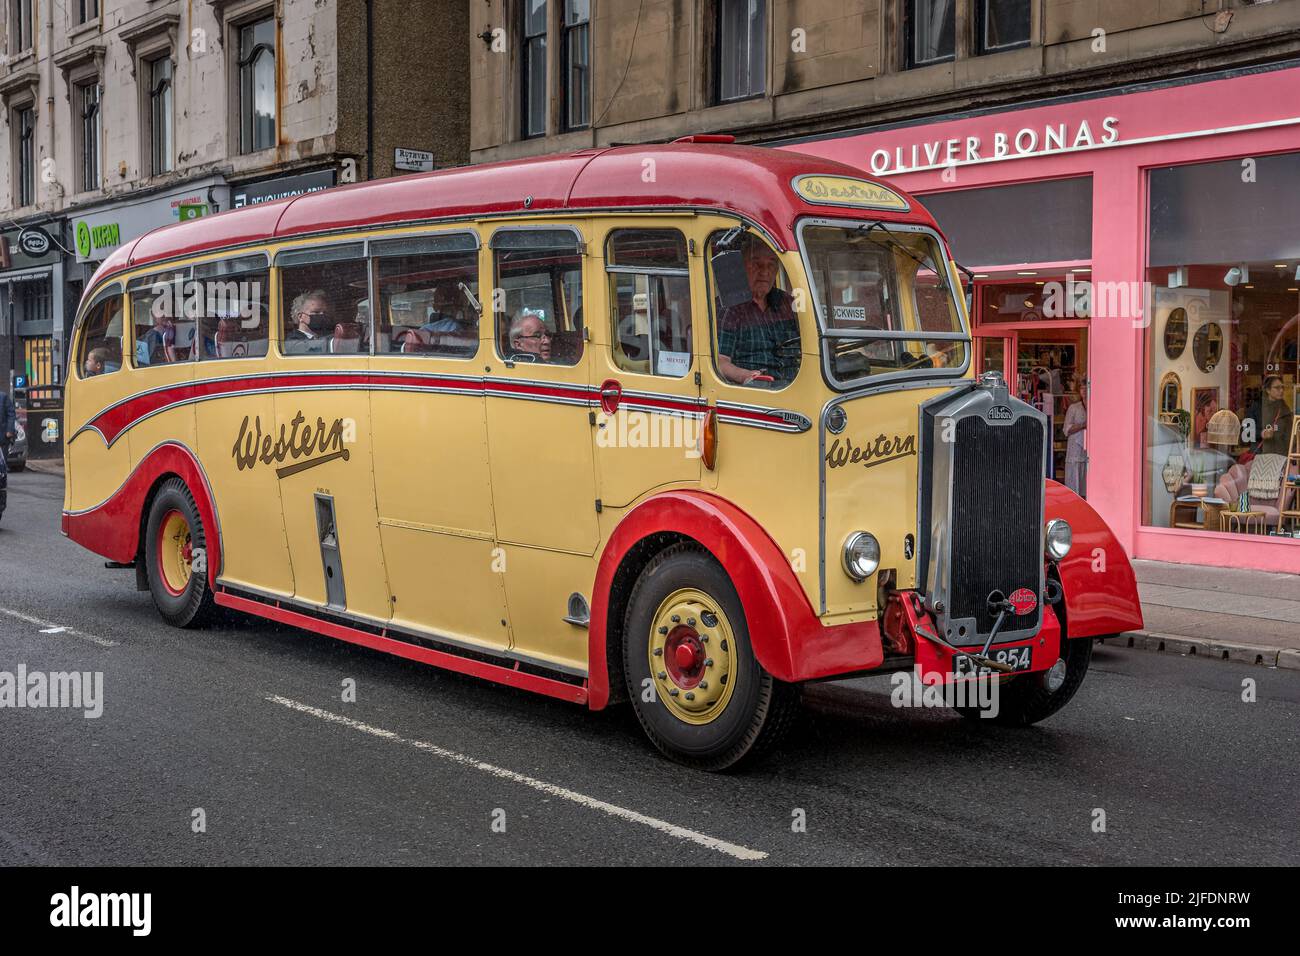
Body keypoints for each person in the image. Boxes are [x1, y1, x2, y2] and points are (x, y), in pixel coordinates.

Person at [716, 237, 800, 387]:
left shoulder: (788, 303)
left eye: (771, 264)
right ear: (741, 267)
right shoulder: (730, 307)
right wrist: (747, 376)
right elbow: (720, 362)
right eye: (757, 264)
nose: (765, 272)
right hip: (756, 392)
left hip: (794, 386)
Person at [1245, 375, 1294, 456]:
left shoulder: (1284, 408)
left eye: (1282, 387)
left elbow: (1289, 435)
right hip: (1261, 454)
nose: (1281, 390)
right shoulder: (1257, 407)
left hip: (1281, 456)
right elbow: (1246, 432)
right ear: (1268, 390)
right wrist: (1262, 433)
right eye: (1277, 388)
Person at [1063, 373, 1088, 497]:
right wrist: (1083, 425)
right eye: (1082, 389)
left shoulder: (1094, 406)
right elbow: (1066, 429)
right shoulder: (1074, 408)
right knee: (1074, 490)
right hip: (1075, 452)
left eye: (1086, 388)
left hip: (1087, 454)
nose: (1084, 391)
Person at [0, 389, 14, 522]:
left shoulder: (3, 397)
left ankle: (2, 482)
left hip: (1, 438)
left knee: (1, 465)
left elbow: (11, 414)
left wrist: (10, 430)